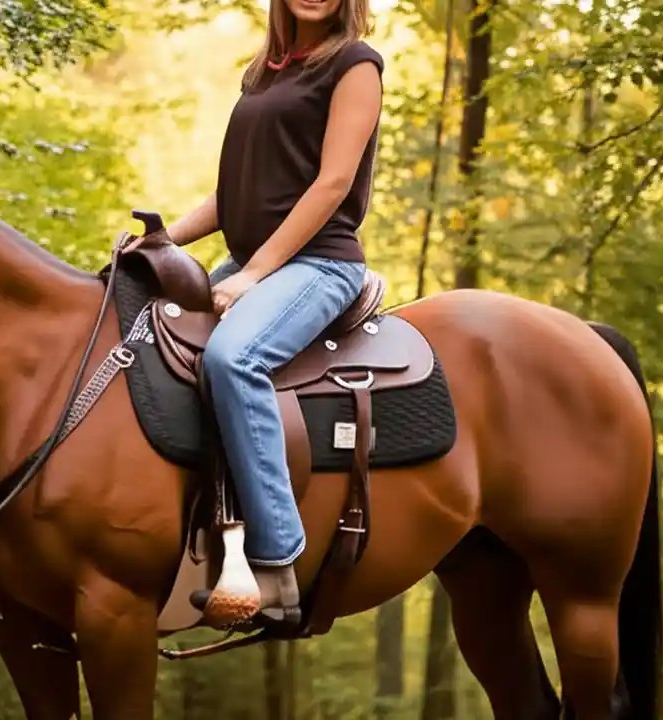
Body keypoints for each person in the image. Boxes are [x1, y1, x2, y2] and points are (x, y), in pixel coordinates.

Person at [164, 0, 383, 620]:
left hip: (320, 265)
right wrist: (163, 240)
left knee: (234, 359)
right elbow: (229, 194)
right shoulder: (264, 73)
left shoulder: (355, 65)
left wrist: (255, 274)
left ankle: (277, 565)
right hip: (252, 261)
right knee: (151, 335)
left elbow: (332, 184)